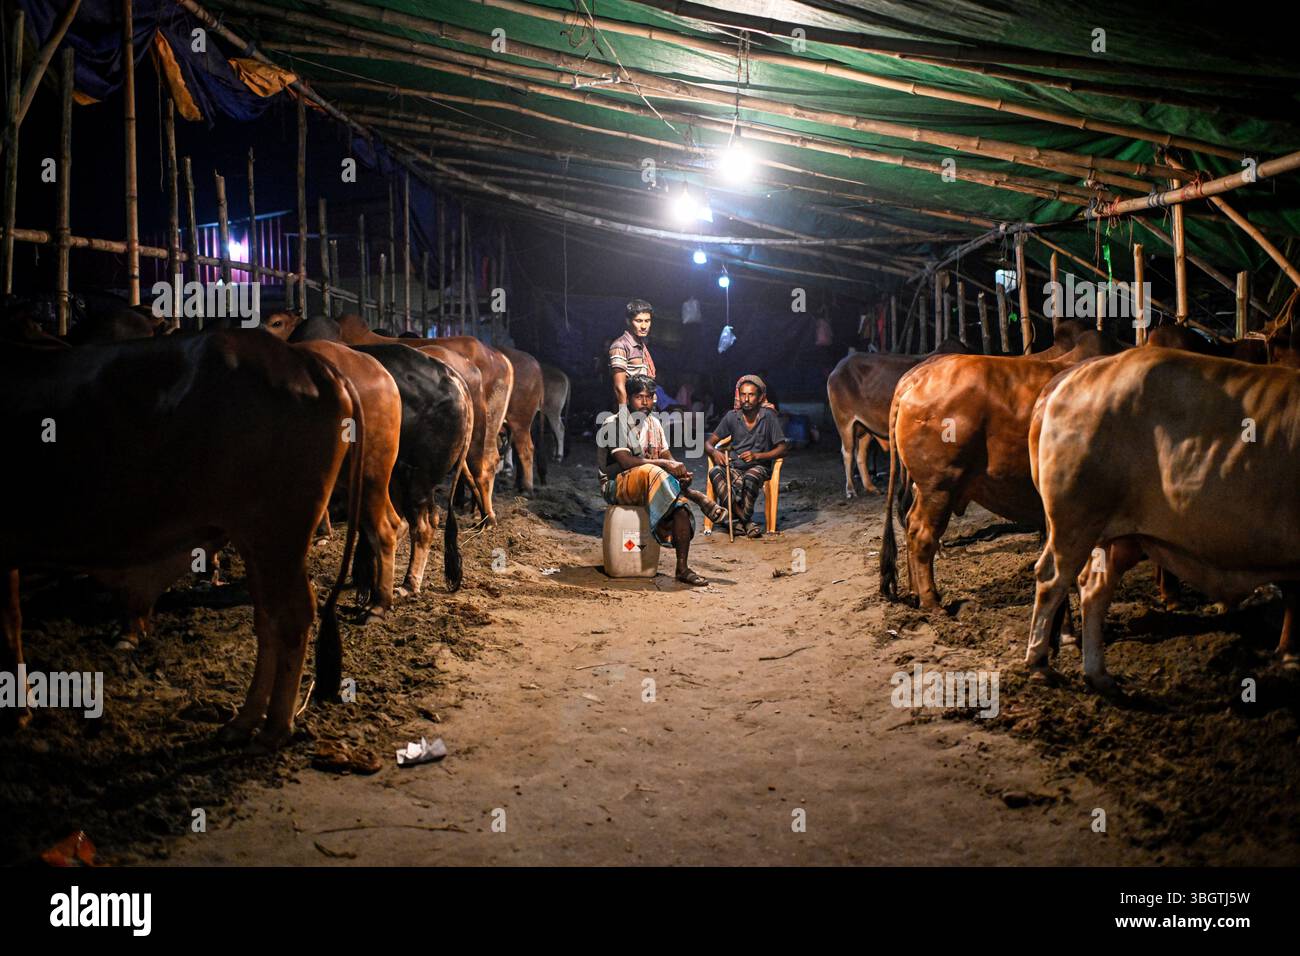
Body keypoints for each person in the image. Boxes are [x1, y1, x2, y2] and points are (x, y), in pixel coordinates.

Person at [598, 375, 726, 586]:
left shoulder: (655, 424)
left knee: (680, 507)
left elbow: (667, 458)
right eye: (640, 397)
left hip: (653, 481)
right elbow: (625, 461)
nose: (645, 402)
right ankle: (696, 497)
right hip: (616, 485)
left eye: (649, 397)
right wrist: (667, 466)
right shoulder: (614, 423)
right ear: (629, 398)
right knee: (651, 470)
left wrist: (680, 472)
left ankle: (682, 568)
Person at [705, 375, 789, 538]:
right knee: (715, 472)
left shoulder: (768, 417)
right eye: (743, 394)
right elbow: (709, 443)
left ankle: (738, 521)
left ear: (760, 398)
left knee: (751, 476)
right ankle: (746, 521)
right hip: (735, 468)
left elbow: (783, 448)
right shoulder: (732, 416)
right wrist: (715, 452)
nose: (746, 399)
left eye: (751, 395)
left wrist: (758, 455)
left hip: (759, 468)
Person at [609, 298, 657, 408]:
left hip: (643, 410)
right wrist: (625, 417)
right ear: (628, 321)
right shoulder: (621, 345)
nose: (644, 326)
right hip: (630, 412)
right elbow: (619, 387)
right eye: (639, 321)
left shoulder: (641, 346)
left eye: (647, 321)